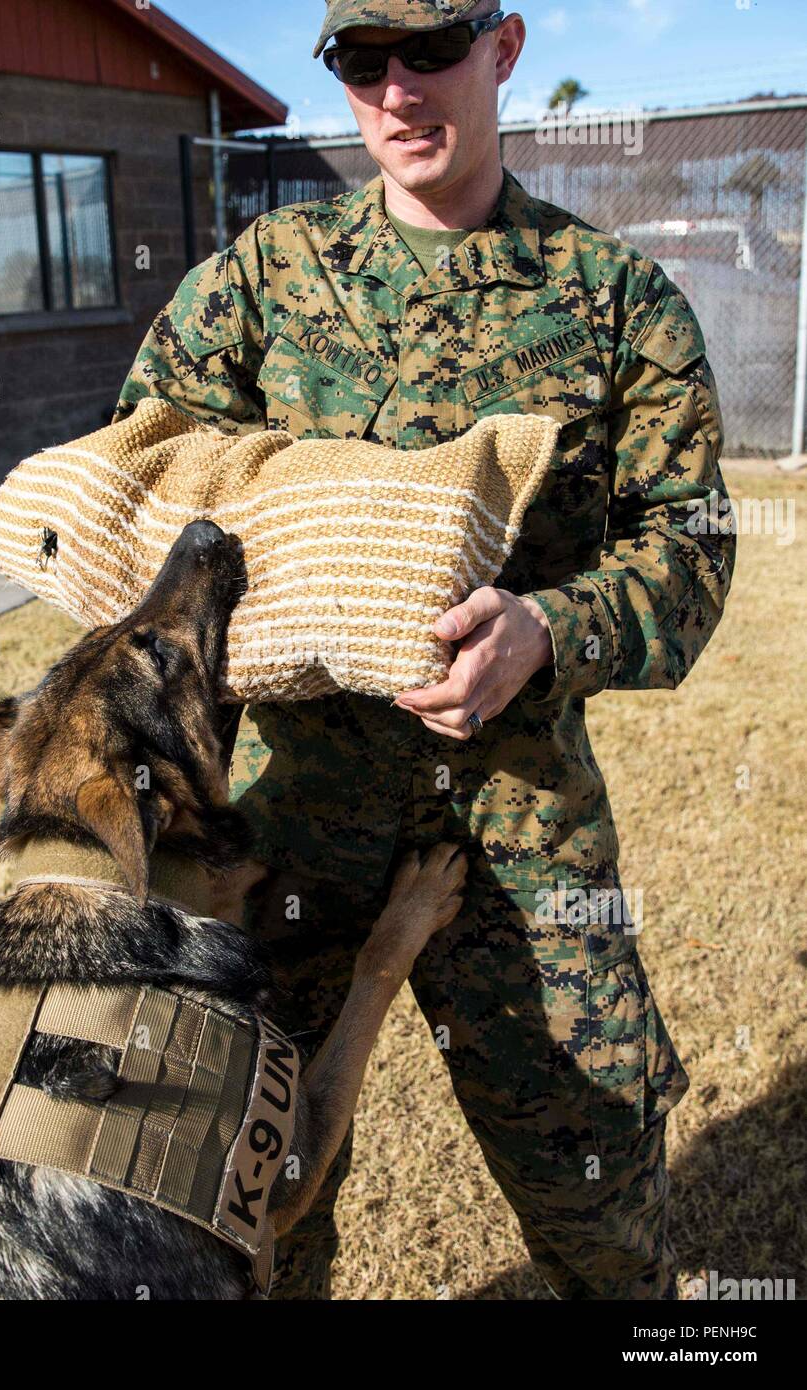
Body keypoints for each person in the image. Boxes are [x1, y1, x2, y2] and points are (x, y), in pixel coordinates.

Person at [112, 0, 736, 1299]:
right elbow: (140, 478)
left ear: (499, 48)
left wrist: (546, 629)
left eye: (428, 48)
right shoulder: (259, 284)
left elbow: (689, 548)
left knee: (597, 1186)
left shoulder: (613, 303)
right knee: (247, 1192)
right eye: (357, 59)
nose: (394, 87)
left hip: (518, 827)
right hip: (289, 822)